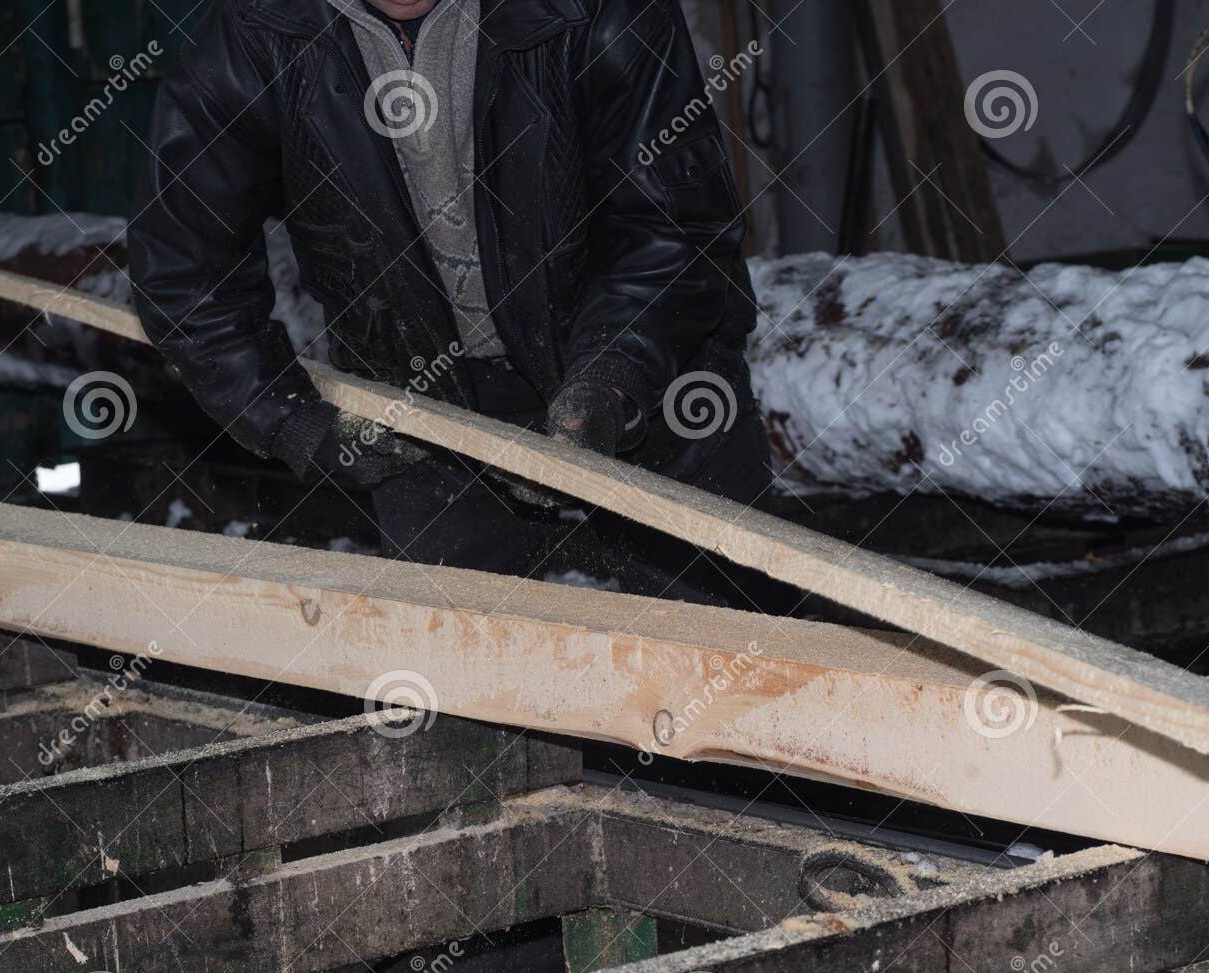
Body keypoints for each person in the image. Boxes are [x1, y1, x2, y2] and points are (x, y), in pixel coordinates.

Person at [129, 0, 770, 597]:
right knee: (466, 678)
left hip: (650, 368)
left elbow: (674, 226)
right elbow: (185, 273)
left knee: (736, 663)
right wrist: (294, 420)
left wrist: (615, 376)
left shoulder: (596, 8)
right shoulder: (249, 36)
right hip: (422, 407)